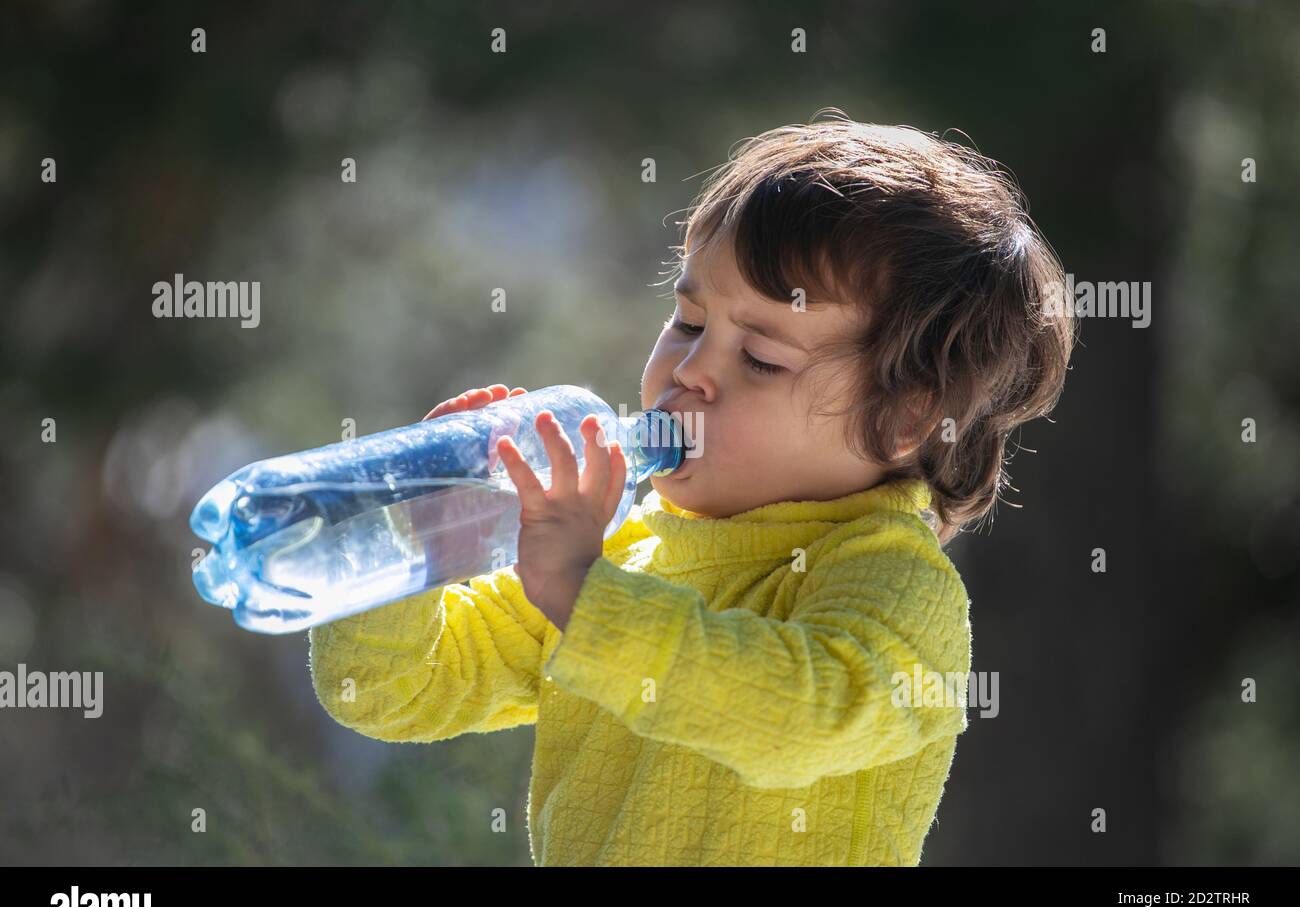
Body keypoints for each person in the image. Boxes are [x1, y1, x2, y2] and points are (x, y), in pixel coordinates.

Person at [308, 110, 1075, 865]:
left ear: (903, 420)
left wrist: (582, 594)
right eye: (686, 320)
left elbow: (792, 721)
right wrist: (415, 546)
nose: (691, 370)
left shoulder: (895, 584)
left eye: (761, 359)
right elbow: (387, 691)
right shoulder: (623, 556)